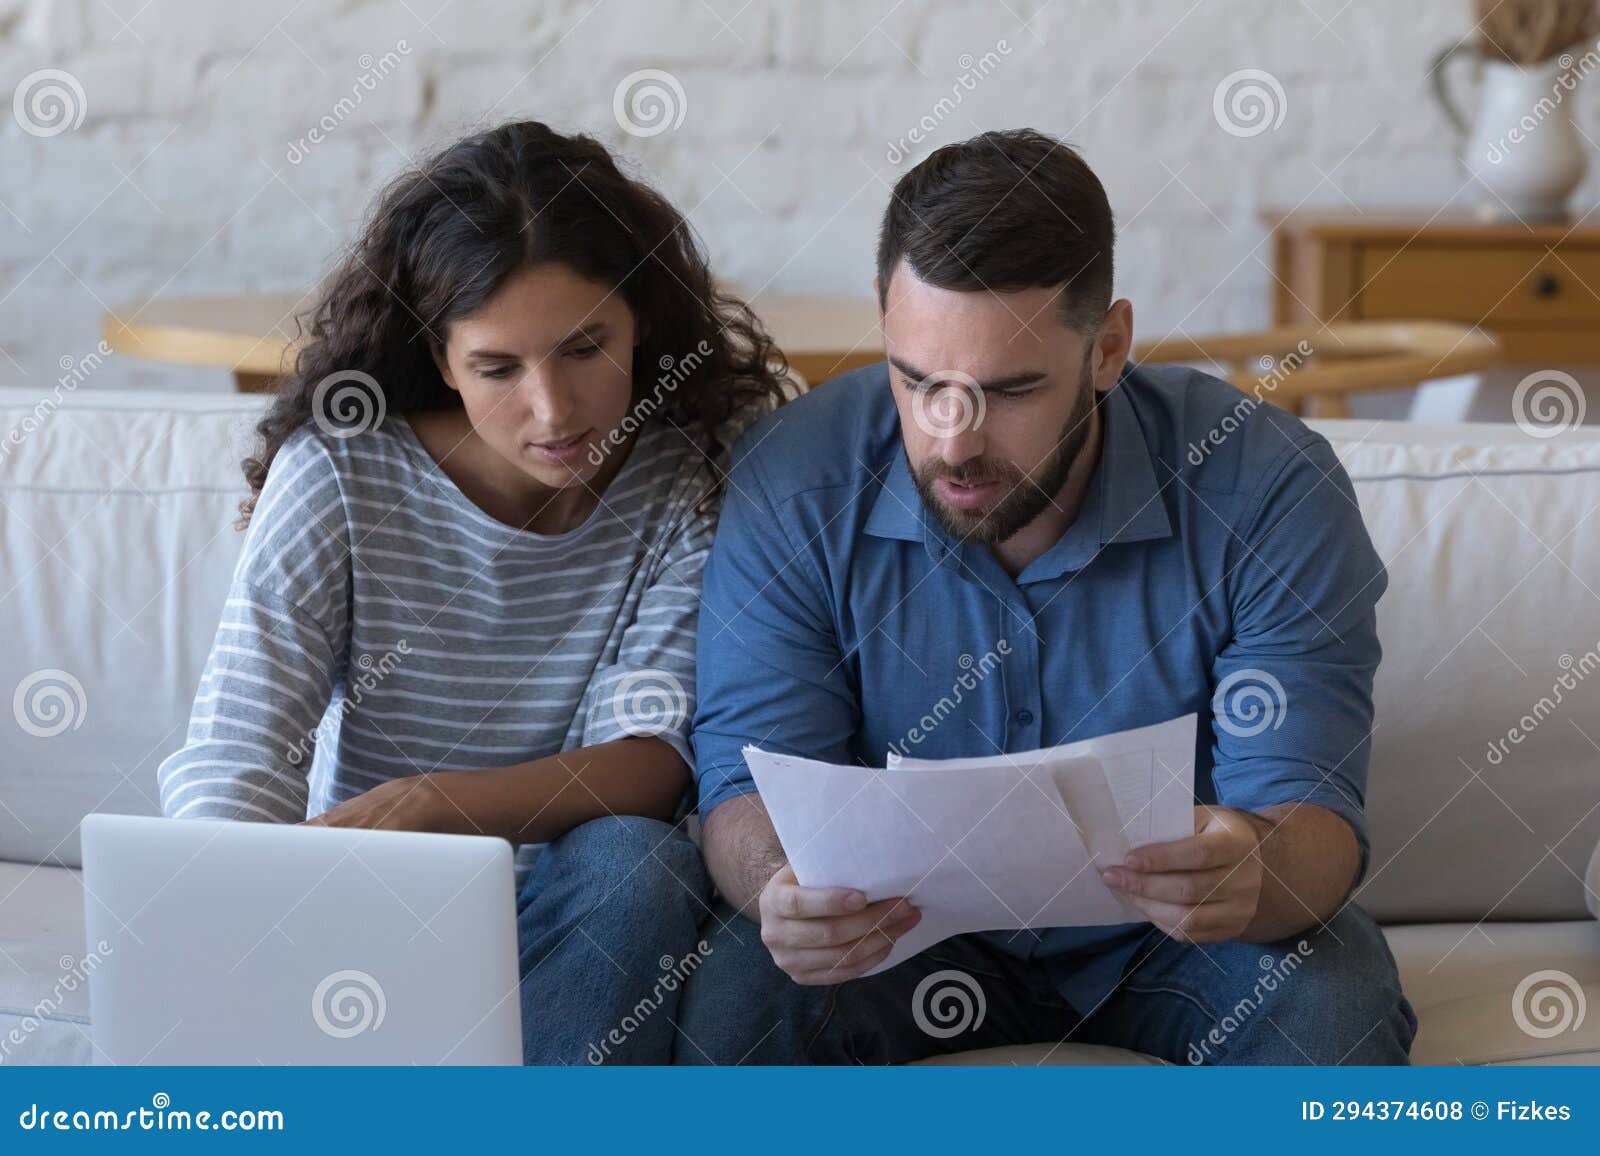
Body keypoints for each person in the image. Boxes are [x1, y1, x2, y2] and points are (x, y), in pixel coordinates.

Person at [678, 128, 1417, 1065]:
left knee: (1332, 1010)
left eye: (1011, 389)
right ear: (884, 318)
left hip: (1183, 945)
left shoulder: (1267, 486)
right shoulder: (794, 477)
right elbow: (747, 778)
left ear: (1108, 348)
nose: (953, 440)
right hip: (893, 942)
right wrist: (779, 884)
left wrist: (1255, 869)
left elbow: (1313, 815)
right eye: (919, 380)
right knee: (737, 1003)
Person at [157, 120, 788, 1064]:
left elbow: (653, 758)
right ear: (440, 357)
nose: (554, 410)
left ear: (642, 319)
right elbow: (240, 750)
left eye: (586, 348)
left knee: (638, 860)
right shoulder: (341, 470)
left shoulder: (690, 467)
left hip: (592, 923)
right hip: (376, 912)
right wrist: (226, 933)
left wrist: (431, 803)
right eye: (498, 368)